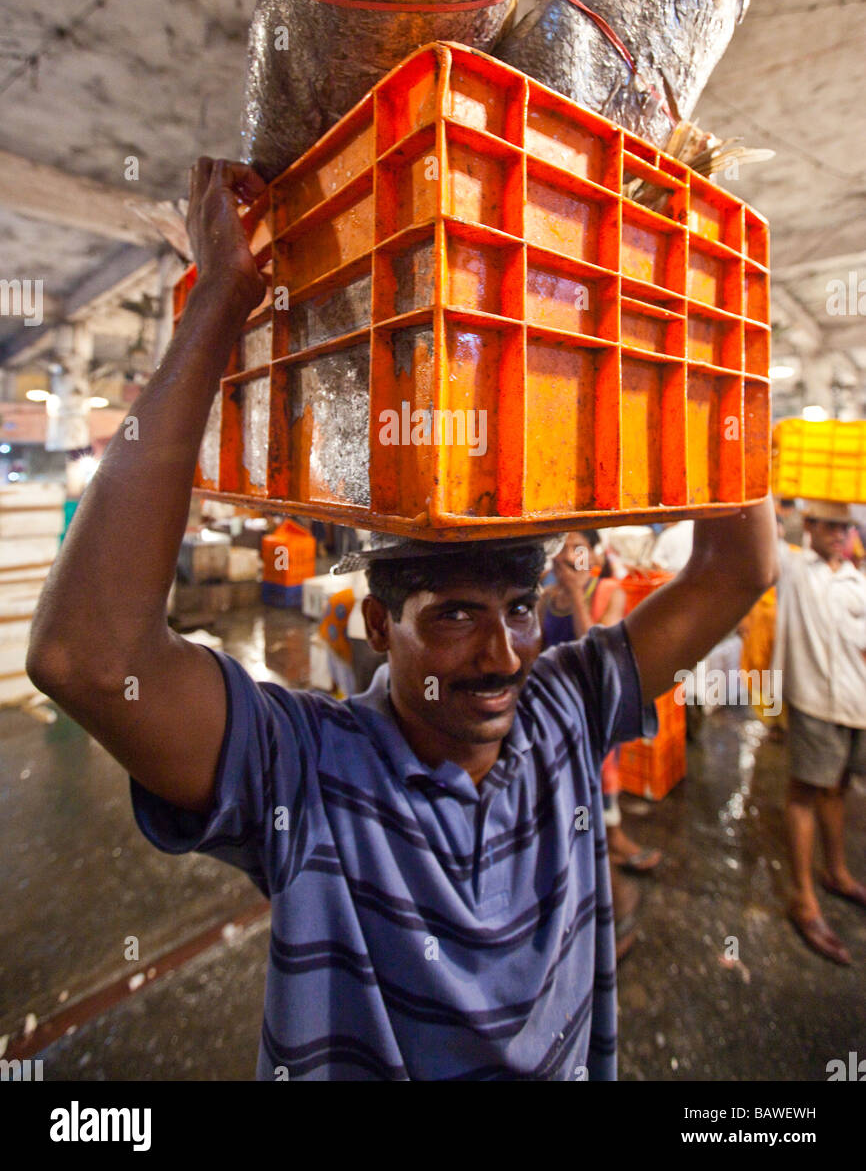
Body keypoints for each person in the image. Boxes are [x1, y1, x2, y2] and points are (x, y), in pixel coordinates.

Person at [26, 157, 779, 1081]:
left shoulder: (561, 713)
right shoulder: (308, 771)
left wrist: (703, 327)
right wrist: (220, 300)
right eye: (456, 616)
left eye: (520, 608)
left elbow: (740, 563)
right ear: (380, 627)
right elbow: (87, 658)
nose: (504, 654)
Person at [539, 531, 662, 961]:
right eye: (562, 546)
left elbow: (594, 661)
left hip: (593, 720)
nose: (568, 555)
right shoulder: (543, 600)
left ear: (593, 553)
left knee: (592, 812)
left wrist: (575, 595)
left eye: (579, 546)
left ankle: (613, 912)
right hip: (554, 725)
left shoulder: (609, 592)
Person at [774, 499, 866, 965]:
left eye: (843, 527)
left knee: (837, 788)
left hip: (857, 705)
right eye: (828, 525)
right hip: (813, 701)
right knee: (805, 793)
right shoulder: (793, 569)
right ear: (807, 524)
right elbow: (759, 544)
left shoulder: (857, 580)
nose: (836, 534)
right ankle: (803, 897)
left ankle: (837, 873)